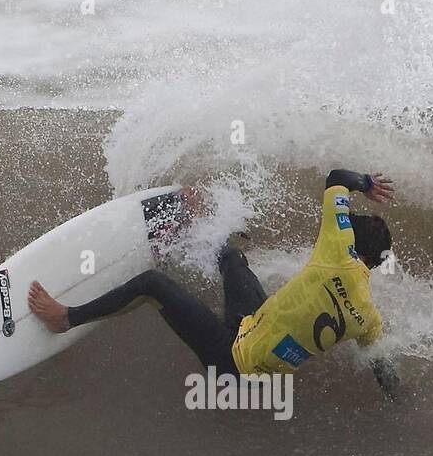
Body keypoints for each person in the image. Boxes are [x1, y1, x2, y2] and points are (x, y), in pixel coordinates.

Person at [26, 169, 400, 398]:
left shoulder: (338, 251)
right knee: (233, 259)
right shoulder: (368, 317)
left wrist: (366, 183)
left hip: (232, 362)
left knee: (152, 284)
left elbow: (336, 178)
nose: (347, 223)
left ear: (354, 244)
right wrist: (399, 402)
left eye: (352, 224)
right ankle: (194, 221)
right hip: (255, 336)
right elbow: (381, 367)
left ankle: (66, 318)